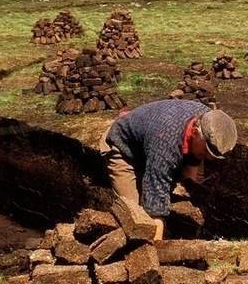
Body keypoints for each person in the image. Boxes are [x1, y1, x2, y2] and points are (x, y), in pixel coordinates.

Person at [99, 100, 238, 239]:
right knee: (135, 219)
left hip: (153, 142)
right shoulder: (165, 146)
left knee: (185, 183)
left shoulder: (209, 118)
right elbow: (155, 207)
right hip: (123, 148)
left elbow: (191, 169)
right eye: (206, 151)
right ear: (195, 132)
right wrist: (157, 252)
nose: (208, 158)